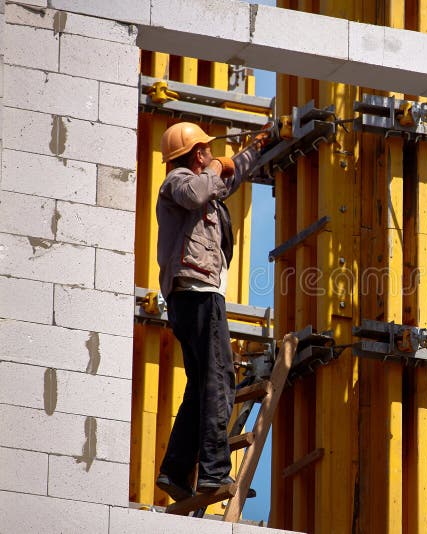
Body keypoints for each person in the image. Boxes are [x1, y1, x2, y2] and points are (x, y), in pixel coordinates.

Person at [154, 122, 263, 501]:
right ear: (196, 154)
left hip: (193, 297)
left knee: (201, 385)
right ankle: (214, 473)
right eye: (206, 151)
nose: (211, 156)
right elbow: (199, 191)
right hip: (197, 294)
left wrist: (258, 147)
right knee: (219, 380)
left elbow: (226, 180)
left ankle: (174, 470)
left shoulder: (205, 187)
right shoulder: (178, 182)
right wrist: (217, 167)